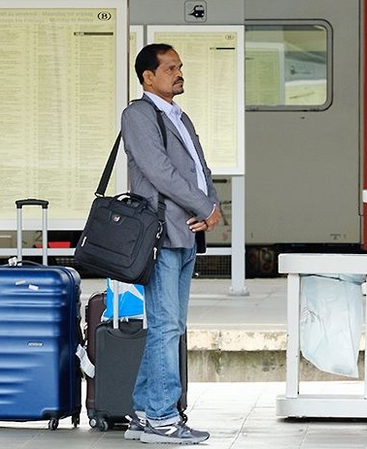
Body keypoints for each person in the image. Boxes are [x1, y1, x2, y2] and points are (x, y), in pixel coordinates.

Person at [123, 43, 222, 444]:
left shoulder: (180, 116)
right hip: (162, 233)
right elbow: (160, 172)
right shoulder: (138, 115)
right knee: (166, 326)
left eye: (179, 67)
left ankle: (143, 412)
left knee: (171, 326)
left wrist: (212, 205)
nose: (179, 74)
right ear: (148, 77)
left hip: (186, 232)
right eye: (170, 68)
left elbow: (200, 168)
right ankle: (163, 419)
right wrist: (203, 205)